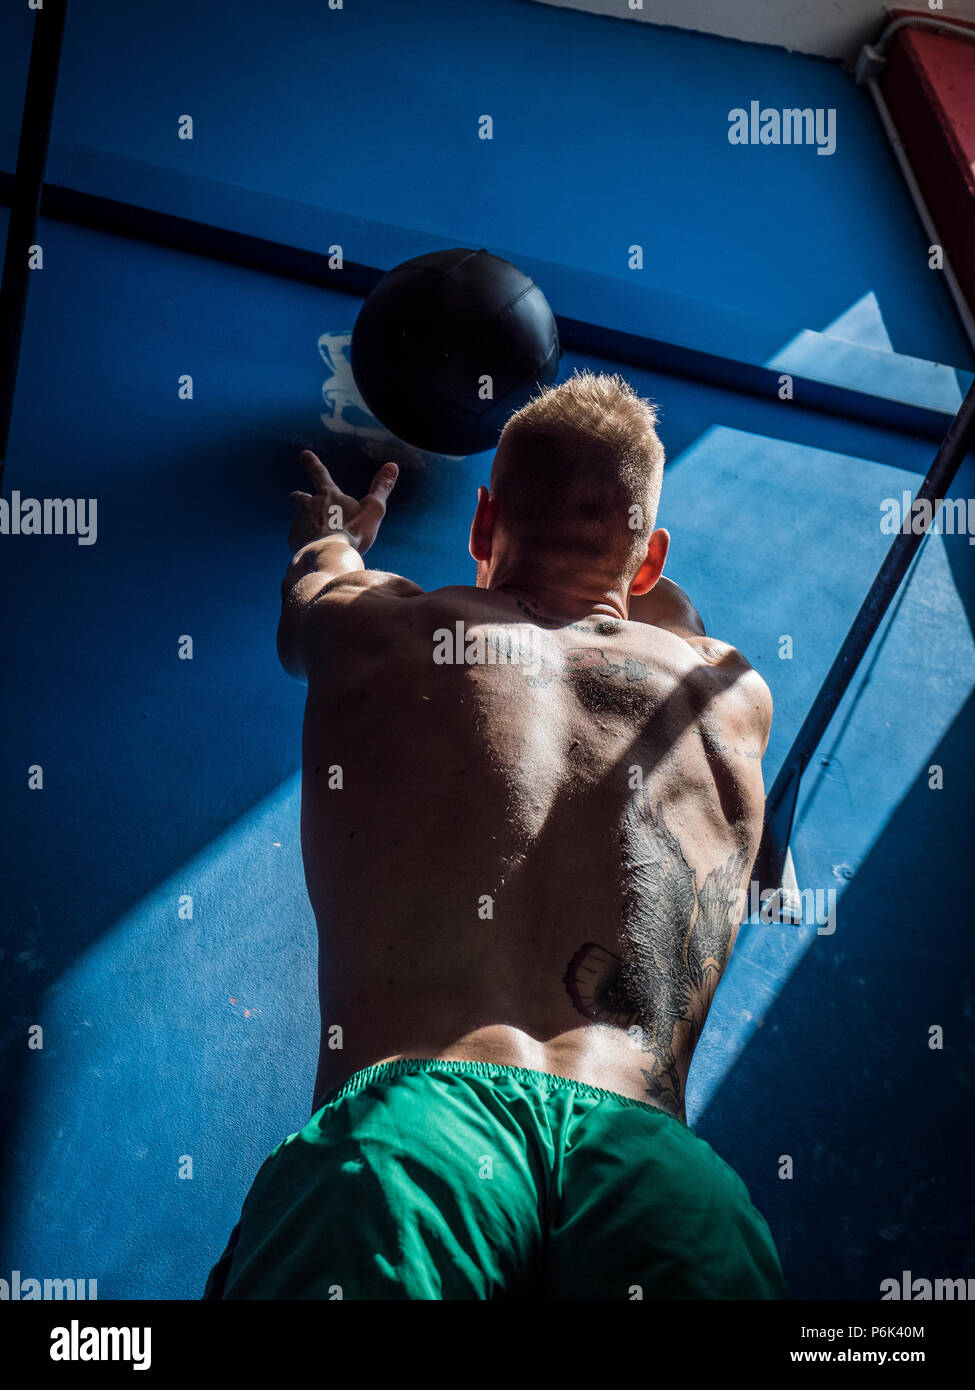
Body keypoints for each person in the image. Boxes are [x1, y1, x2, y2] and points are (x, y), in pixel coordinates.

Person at [203, 370, 788, 1300]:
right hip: (654, 1173)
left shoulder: (380, 629)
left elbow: (312, 587)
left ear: (482, 525)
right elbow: (769, 876)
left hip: (418, 1143)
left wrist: (331, 531)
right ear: (647, 561)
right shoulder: (731, 698)